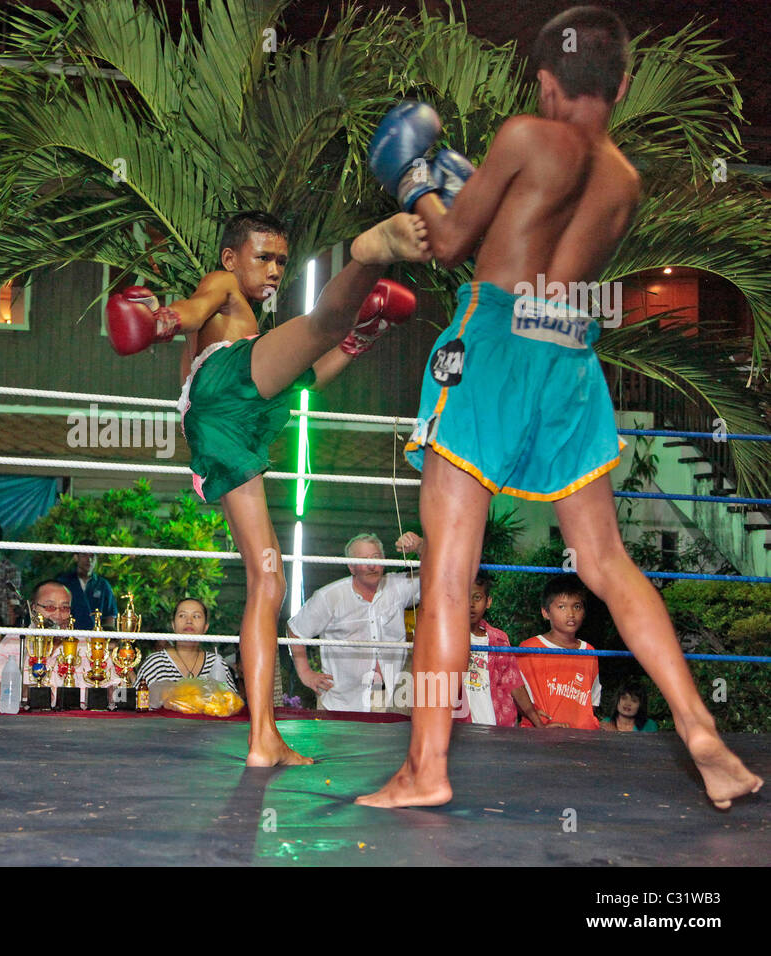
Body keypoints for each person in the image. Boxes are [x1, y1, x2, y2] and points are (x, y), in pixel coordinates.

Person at [357, 6, 760, 808]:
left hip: (497, 343)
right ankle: (699, 729)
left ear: (544, 81)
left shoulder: (525, 137)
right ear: (624, 82)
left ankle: (425, 770)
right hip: (572, 354)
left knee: (447, 571)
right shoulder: (624, 180)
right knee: (607, 561)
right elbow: (543, 243)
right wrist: (469, 187)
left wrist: (416, 180)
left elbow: (451, 242)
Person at [106, 209, 429, 765]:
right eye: (265, 257)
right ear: (232, 257)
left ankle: (263, 738)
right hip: (225, 394)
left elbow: (305, 379)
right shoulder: (225, 287)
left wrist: (358, 342)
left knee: (269, 577)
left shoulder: (259, 339)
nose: (276, 269)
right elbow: (195, 309)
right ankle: (365, 253)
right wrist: (162, 320)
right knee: (323, 325)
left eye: (282, 259)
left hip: (238, 424)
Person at [287, 532, 423, 713]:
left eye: (376, 558)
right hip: (341, 702)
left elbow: (439, 577)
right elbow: (296, 629)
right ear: (351, 567)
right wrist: (305, 673)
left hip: (389, 700)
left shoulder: (397, 587)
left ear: (384, 560)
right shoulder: (329, 596)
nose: (371, 565)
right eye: (363, 559)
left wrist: (420, 547)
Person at [0, 580, 101, 707]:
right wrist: (26, 691)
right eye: (50, 607)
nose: (58, 614)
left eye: (65, 608)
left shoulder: (86, 644)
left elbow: (114, 688)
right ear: (33, 609)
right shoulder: (15, 640)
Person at [514, 577, 602, 731]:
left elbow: (592, 700)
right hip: (540, 735)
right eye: (562, 607)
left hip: (582, 738)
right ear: (545, 612)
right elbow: (515, 693)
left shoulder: (589, 651)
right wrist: (534, 717)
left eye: (577, 606)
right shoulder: (529, 649)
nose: (571, 614)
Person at [458, 570, 524, 727]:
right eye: (465, 597)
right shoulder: (446, 638)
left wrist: (537, 721)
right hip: (461, 729)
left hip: (497, 726)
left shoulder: (499, 639)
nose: (471, 604)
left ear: (488, 602)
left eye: (477, 597)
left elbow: (514, 683)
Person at [135, 598, 236, 691]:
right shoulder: (155, 663)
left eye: (196, 616)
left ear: (206, 627)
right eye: (182, 615)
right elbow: (136, 701)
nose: (189, 621)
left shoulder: (216, 663)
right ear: (173, 625)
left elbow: (232, 703)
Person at [57, 544, 116, 629]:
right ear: (76, 557)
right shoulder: (63, 582)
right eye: (84, 555)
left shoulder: (103, 585)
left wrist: (108, 638)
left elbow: (110, 616)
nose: (89, 559)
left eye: (92, 555)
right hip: (68, 637)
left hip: (95, 638)